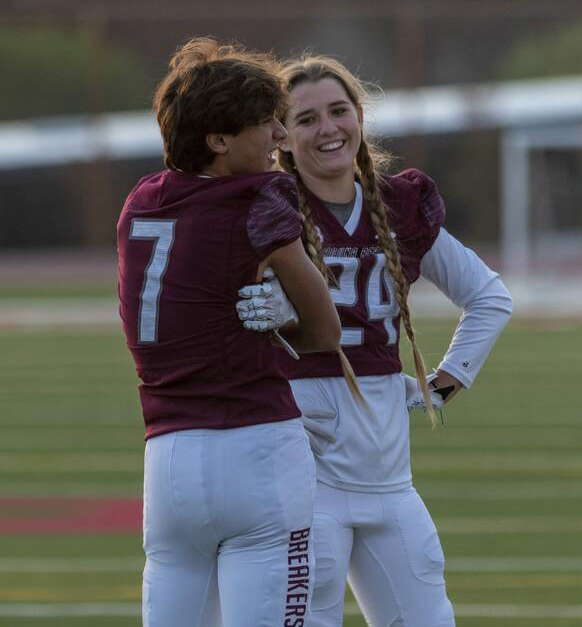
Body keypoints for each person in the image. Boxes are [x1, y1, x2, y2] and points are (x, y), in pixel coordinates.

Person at [235, 55, 513, 626]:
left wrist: (446, 381)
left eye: (339, 111)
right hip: (302, 465)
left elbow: (489, 297)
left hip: (388, 469)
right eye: (307, 118)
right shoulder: (266, 207)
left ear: (359, 116)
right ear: (281, 135)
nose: (328, 128)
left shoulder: (398, 206)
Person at [118, 38, 348, 627]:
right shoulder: (258, 197)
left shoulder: (140, 203)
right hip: (256, 449)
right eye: (263, 122)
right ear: (218, 140)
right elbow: (324, 331)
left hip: (167, 459)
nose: (279, 135)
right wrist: (287, 314)